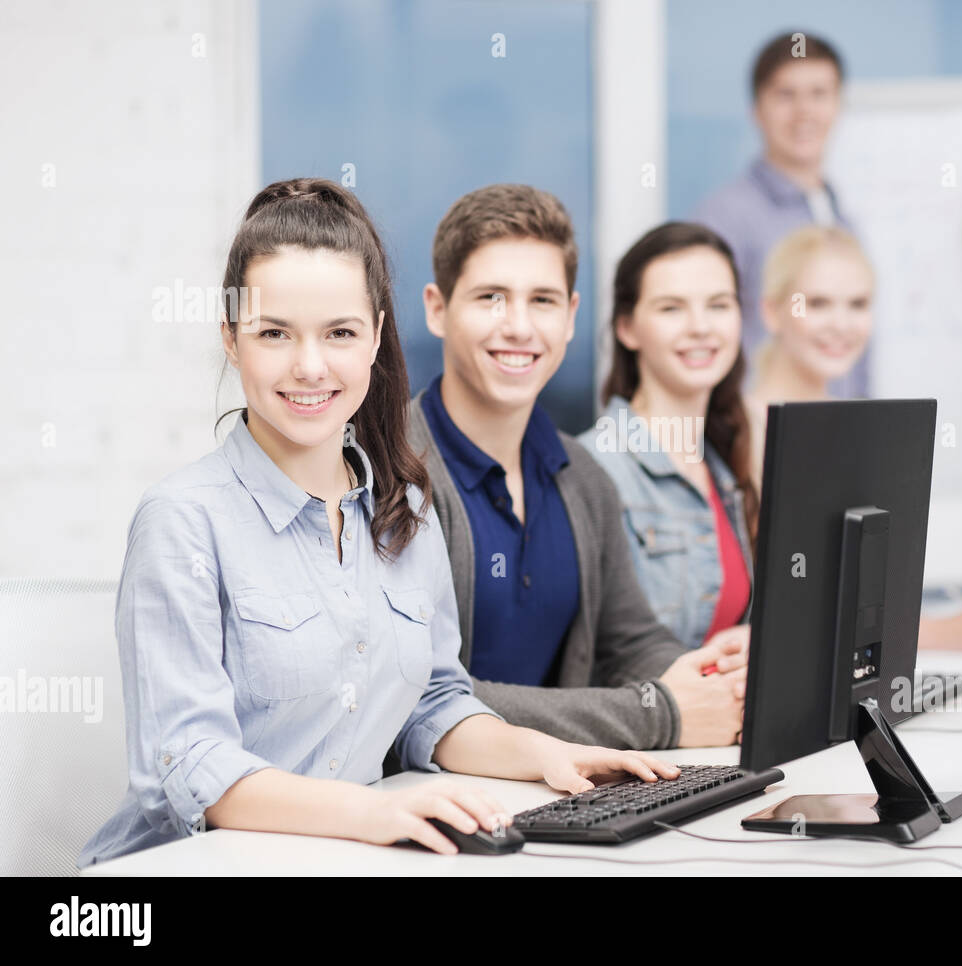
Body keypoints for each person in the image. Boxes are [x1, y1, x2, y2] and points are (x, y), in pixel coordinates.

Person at [79, 179, 679, 867]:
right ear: (231, 340)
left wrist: (552, 757)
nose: (310, 366)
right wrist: (377, 810)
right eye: (274, 333)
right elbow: (192, 765)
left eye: (340, 333)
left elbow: (435, 703)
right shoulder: (182, 522)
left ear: (375, 340)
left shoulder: (407, 511)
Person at [407, 184, 747, 752]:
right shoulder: (392, 475)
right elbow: (422, 698)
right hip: (429, 804)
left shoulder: (582, 476)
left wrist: (715, 682)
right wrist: (655, 714)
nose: (518, 326)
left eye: (542, 300)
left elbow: (630, 644)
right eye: (491, 297)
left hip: (557, 799)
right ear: (437, 310)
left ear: (570, 317)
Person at [750, 225, 962, 652]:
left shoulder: (858, 428)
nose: (841, 324)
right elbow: (790, 607)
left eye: (858, 304)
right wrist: (943, 633)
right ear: (773, 312)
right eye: (817, 304)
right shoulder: (743, 431)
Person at [578, 222, 758, 650]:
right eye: (671, 308)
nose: (700, 327)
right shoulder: (594, 469)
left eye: (718, 305)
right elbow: (605, 662)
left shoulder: (723, 465)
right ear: (627, 328)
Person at [691, 30, 867, 396]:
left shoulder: (842, 217)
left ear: (838, 105)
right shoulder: (724, 218)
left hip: (840, 430)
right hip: (760, 435)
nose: (804, 111)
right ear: (756, 110)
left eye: (819, 94)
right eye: (786, 95)